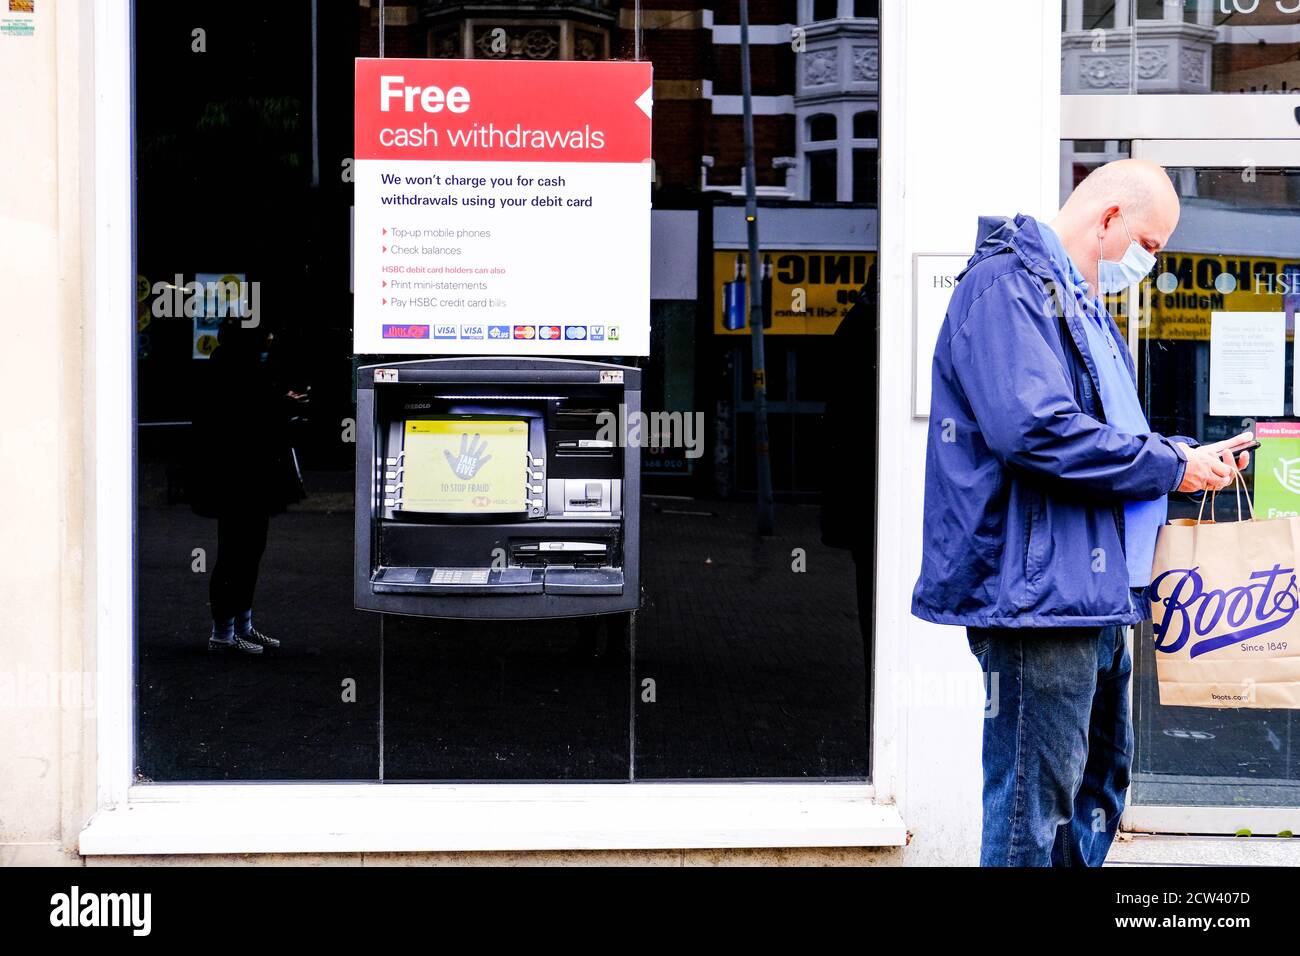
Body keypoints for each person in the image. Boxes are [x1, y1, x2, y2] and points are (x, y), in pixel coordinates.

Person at [911, 159, 1251, 867]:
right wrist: (1168, 464)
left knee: (1093, 798)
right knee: (1030, 813)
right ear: (1108, 220)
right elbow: (1034, 431)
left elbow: (1103, 436)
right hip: (1044, 603)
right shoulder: (1008, 288)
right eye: (1150, 247)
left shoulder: (1081, 304)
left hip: (1095, 600)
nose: (1149, 266)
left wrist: (1183, 460)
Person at [189, 316, 305, 655]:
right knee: (238, 553)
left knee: (247, 551)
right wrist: (284, 404)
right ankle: (224, 634)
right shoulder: (236, 371)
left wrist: (279, 403)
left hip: (242, 476)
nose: (269, 341)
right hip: (241, 477)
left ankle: (239, 627)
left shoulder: (233, 367)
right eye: (263, 336)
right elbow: (247, 419)